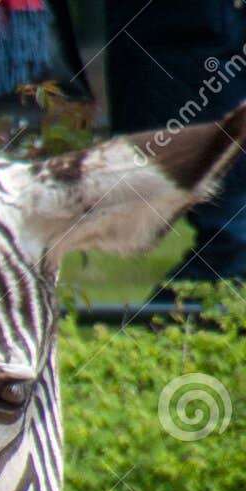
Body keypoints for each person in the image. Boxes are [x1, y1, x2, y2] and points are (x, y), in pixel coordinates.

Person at [105, 1, 246, 284]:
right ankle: (163, 321)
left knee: (232, 233)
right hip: (189, 54)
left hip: (201, 48)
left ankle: (163, 320)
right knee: (233, 236)